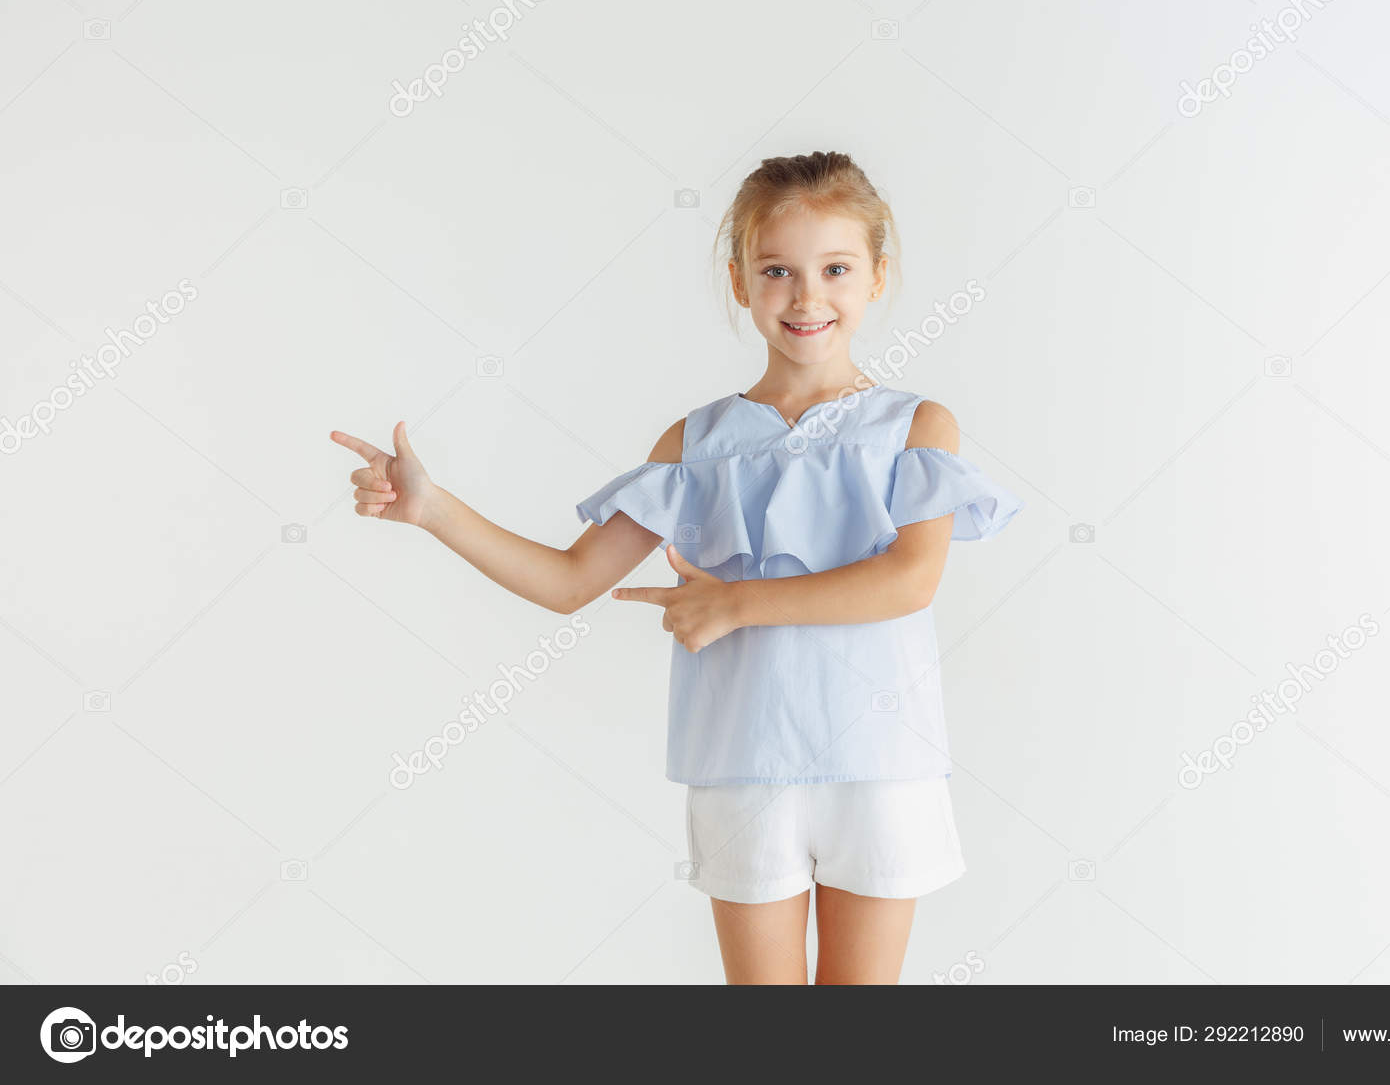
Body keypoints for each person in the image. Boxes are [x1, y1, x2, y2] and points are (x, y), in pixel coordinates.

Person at [331, 150, 1021, 984]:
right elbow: (569, 580)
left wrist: (737, 603)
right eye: (777, 271)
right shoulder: (696, 444)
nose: (807, 297)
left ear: (877, 275)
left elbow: (908, 580)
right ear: (739, 282)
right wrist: (435, 509)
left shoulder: (916, 426)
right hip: (741, 768)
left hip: (883, 766)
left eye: (835, 268)